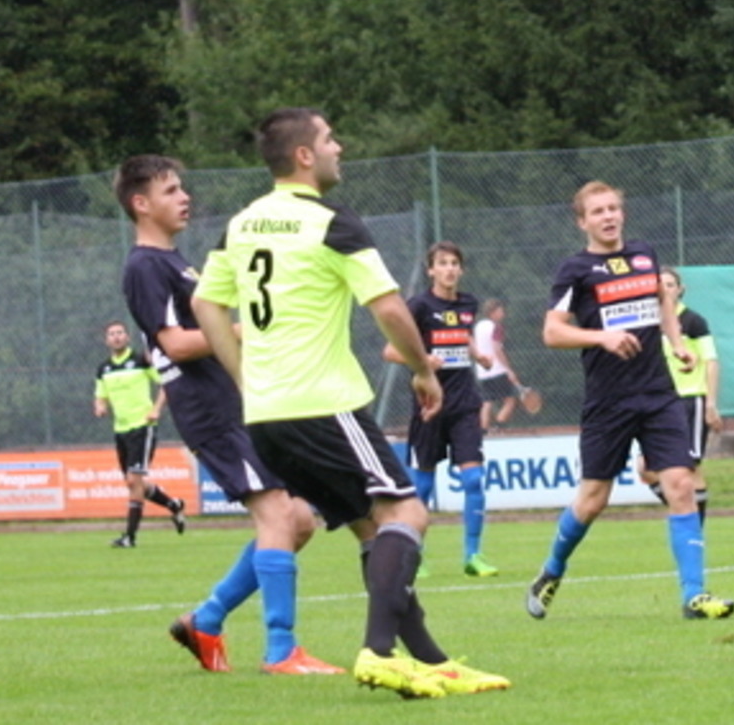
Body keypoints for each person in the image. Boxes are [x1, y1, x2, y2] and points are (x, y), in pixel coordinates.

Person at [192, 107, 510, 698]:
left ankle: (431, 660)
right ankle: (379, 652)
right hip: (323, 403)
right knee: (408, 515)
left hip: (267, 415)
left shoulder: (242, 223)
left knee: (374, 529)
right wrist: (423, 371)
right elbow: (390, 308)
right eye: (330, 138)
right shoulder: (331, 221)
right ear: (305, 156)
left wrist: (243, 376)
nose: (340, 147)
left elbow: (206, 306)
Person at [115, 153, 336, 675]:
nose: (184, 197)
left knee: (298, 520)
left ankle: (207, 619)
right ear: (141, 204)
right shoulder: (144, 265)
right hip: (209, 412)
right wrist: (246, 329)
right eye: (170, 191)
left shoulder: (177, 262)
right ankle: (281, 649)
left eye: (182, 187)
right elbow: (173, 344)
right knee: (280, 515)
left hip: (238, 403)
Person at [525, 182, 734, 622]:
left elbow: (662, 300)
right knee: (593, 499)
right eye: (598, 211)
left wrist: (675, 342)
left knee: (681, 485)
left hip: (658, 394)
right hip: (609, 401)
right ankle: (551, 571)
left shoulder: (644, 255)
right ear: (582, 221)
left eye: (614, 208)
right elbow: (552, 331)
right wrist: (601, 336)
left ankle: (694, 596)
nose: (609, 216)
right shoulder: (575, 270)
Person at [382, 242, 496, 577]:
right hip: (429, 406)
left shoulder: (468, 304)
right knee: (423, 487)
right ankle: (413, 557)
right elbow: (390, 351)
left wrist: (477, 354)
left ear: (461, 269)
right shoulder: (417, 305)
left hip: (464, 403)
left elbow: (460, 333)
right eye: (442, 263)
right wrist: (421, 360)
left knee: (473, 479)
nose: (449, 269)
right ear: (431, 270)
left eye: (454, 263)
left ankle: (473, 555)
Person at [94, 319, 185, 547]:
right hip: (121, 430)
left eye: (120, 333)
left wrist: (156, 409)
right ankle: (173, 505)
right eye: (111, 334)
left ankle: (130, 537)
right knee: (133, 482)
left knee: (135, 480)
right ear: (106, 341)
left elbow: (166, 382)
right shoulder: (103, 368)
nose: (116, 337)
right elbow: (100, 394)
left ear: (127, 337)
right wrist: (100, 405)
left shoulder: (141, 360)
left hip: (142, 428)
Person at [641, 267, 721, 522]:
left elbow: (711, 361)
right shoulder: (648, 324)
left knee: (689, 467)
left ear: (680, 289)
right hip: (660, 402)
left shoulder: (692, 321)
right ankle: (687, 512)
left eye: (671, 284)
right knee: (645, 468)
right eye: (660, 285)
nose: (665, 289)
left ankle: (693, 530)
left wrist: (710, 404)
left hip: (689, 400)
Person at [473, 298, 526, 430]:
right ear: (493, 312)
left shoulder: (478, 326)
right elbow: (497, 349)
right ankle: (499, 427)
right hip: (497, 370)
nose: (503, 313)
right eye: (501, 310)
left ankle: (483, 431)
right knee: (511, 399)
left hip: (482, 372)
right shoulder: (496, 327)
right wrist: (508, 369)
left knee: (487, 402)